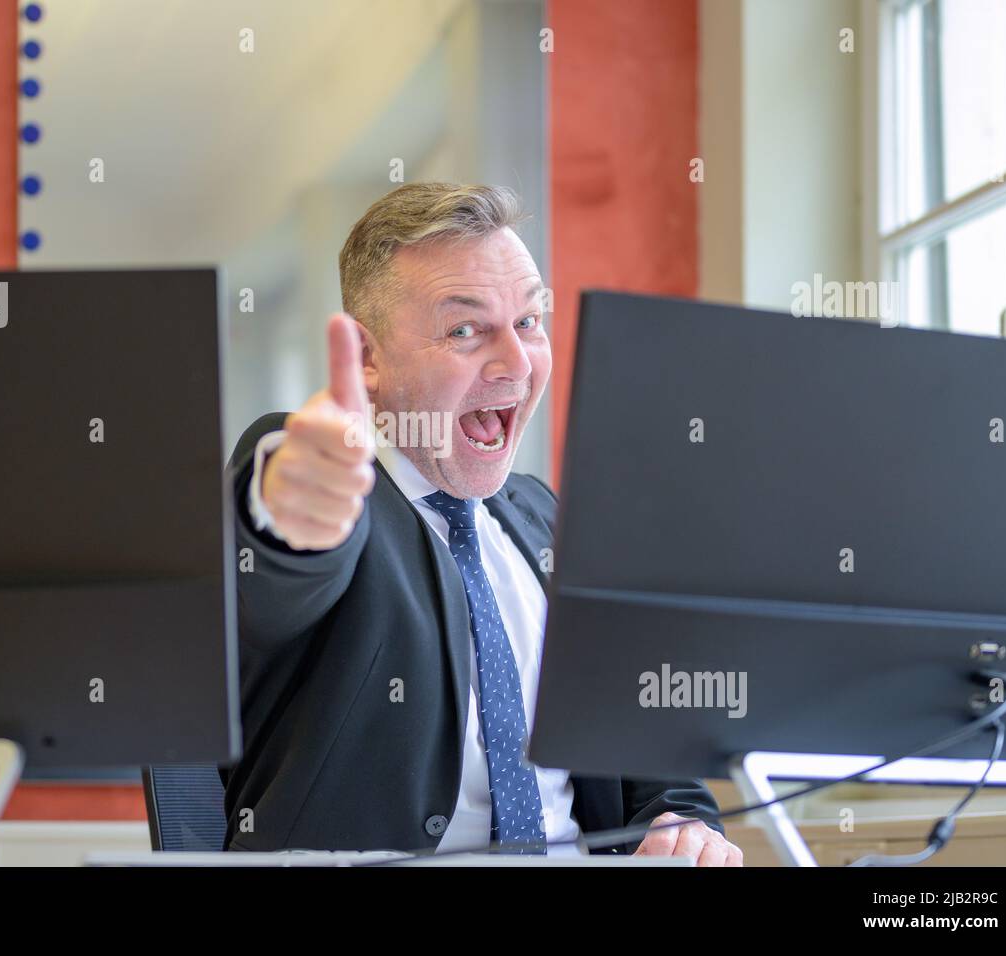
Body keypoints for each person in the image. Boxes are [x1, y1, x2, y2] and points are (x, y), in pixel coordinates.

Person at [221, 182, 742, 864]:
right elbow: (272, 577)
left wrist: (681, 826)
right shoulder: (331, 495)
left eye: (528, 322)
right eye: (465, 329)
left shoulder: (548, 520)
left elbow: (652, 766)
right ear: (369, 360)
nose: (518, 364)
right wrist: (289, 520)